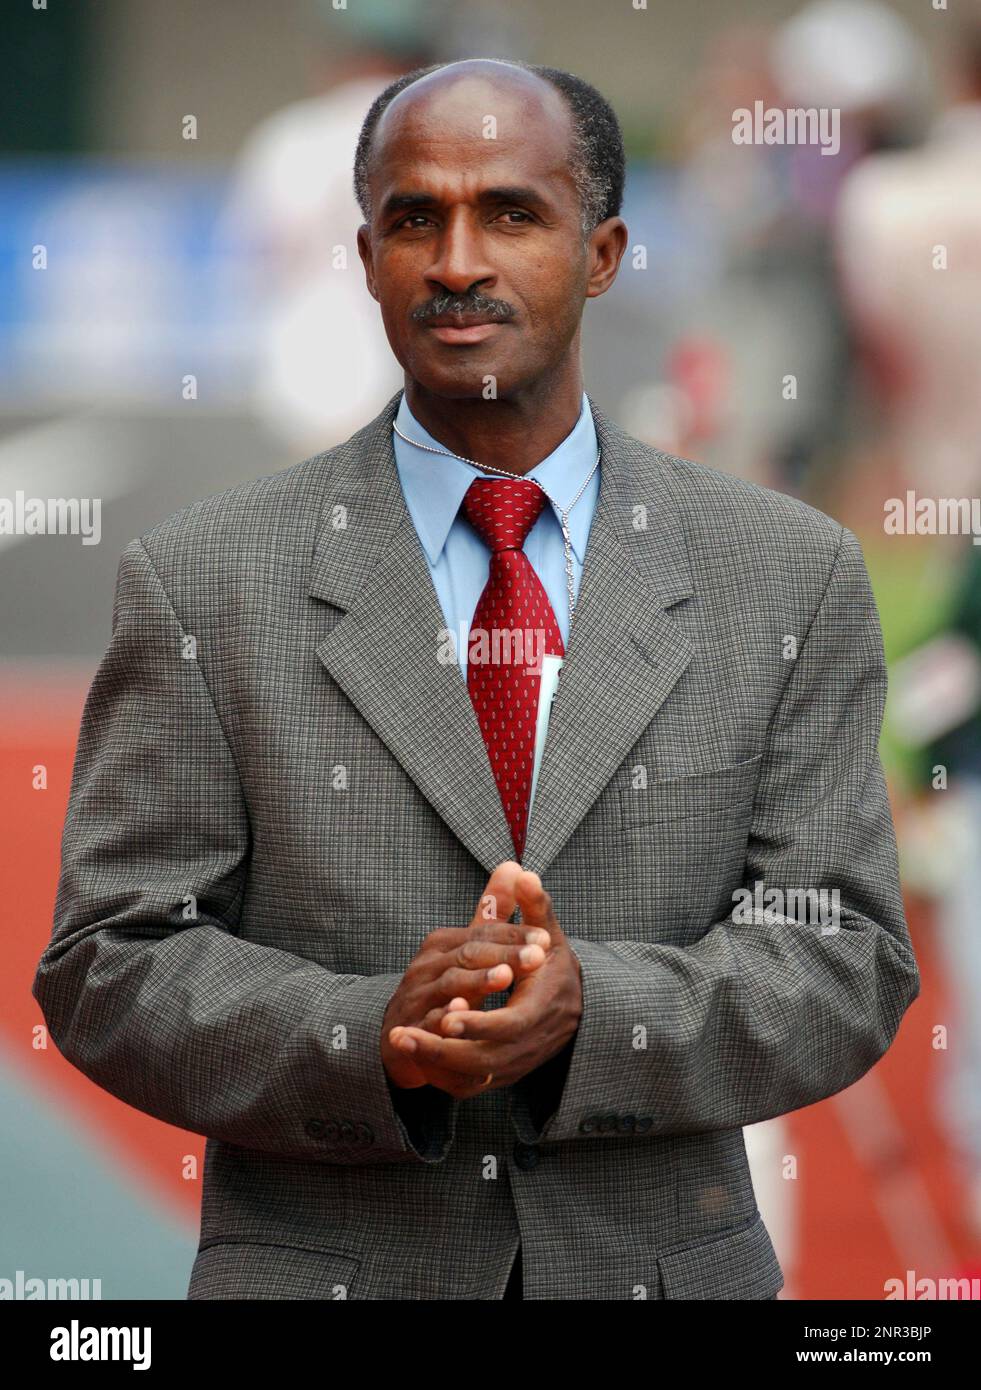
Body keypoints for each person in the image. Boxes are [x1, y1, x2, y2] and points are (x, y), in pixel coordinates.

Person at [34, 58, 920, 1301]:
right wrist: (371, 1038)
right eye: (414, 218)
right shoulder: (206, 581)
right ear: (363, 256)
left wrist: (592, 1015)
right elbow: (111, 960)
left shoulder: (785, 574)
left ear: (603, 251)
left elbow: (844, 956)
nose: (457, 260)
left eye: (512, 212)